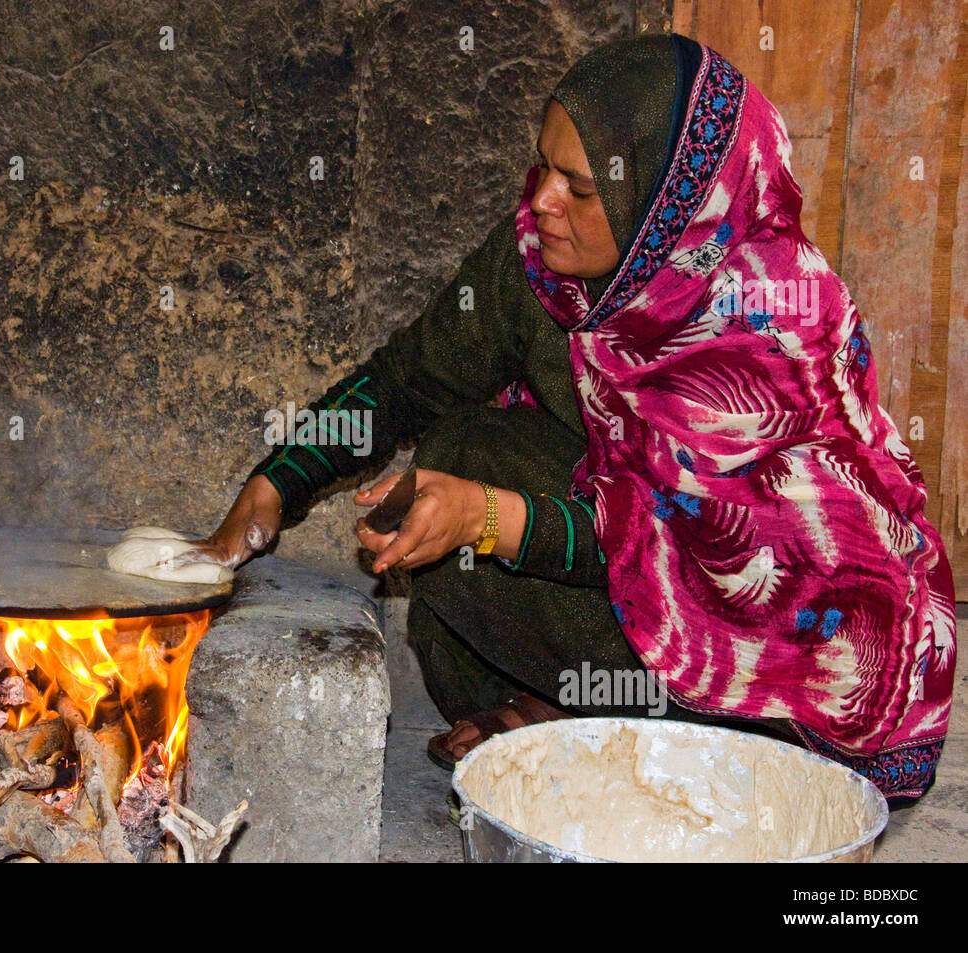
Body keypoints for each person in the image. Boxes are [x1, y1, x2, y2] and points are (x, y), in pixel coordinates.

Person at [183, 33, 957, 802]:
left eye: (580, 189)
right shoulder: (539, 263)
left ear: (661, 206)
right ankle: (575, 717)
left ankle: (651, 737)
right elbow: (405, 379)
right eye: (542, 168)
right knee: (455, 474)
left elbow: (697, 550)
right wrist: (276, 485)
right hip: (620, 577)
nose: (544, 202)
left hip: (772, 636)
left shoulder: (764, 321)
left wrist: (486, 517)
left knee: (471, 514)